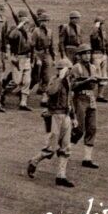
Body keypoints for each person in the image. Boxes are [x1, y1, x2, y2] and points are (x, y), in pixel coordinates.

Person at [27, 54, 75, 188]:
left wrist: (74, 117)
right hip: (54, 117)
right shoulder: (55, 80)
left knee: (66, 148)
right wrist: (60, 78)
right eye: (67, 69)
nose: (70, 72)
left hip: (65, 116)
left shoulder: (68, 82)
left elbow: (69, 101)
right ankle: (34, 161)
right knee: (51, 148)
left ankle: (61, 176)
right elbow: (51, 92)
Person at [70, 44, 100, 170]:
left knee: (92, 128)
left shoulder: (93, 67)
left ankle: (87, 158)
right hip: (80, 99)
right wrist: (86, 81)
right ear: (79, 56)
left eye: (89, 53)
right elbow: (72, 85)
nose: (87, 56)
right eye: (85, 54)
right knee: (79, 129)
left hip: (91, 99)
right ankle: (65, 150)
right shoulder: (76, 68)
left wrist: (94, 81)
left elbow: (93, 87)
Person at [90, 17, 108, 103]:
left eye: (102, 24)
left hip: (103, 55)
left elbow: (107, 45)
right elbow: (93, 37)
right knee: (96, 75)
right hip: (96, 55)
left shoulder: (104, 34)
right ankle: (91, 95)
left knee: (104, 76)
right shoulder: (94, 33)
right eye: (100, 24)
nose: (101, 26)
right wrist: (96, 27)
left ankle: (100, 95)